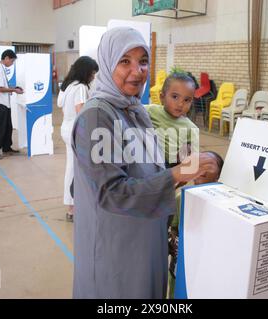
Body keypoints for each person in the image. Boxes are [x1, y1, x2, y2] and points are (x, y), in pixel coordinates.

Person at [71, 27, 218, 299]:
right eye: (124, 61)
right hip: (118, 252)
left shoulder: (134, 110)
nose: (137, 70)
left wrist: (188, 171)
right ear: (106, 62)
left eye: (143, 61)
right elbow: (111, 192)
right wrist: (177, 173)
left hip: (145, 239)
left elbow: (148, 167)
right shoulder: (96, 117)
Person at [167, 151, 224, 299]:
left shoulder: (222, 205)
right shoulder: (180, 198)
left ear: (219, 175)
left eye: (208, 165)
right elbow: (173, 227)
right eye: (197, 164)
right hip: (178, 270)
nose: (200, 169)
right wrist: (173, 241)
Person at [57, 56, 99, 223]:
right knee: (76, 169)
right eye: (93, 73)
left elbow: (61, 108)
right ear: (86, 71)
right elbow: (82, 112)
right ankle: (73, 207)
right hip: (76, 130)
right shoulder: (81, 87)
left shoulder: (67, 86)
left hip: (66, 128)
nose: (93, 77)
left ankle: (72, 206)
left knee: (71, 167)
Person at [146, 72, 198, 168]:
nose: (180, 104)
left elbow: (192, 153)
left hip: (169, 165)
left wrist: (186, 152)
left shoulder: (191, 128)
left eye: (186, 100)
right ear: (162, 97)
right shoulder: (150, 110)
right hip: (147, 157)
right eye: (175, 97)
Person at [0, 49, 23, 160]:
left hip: (4, 103)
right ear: (6, 58)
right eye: (12, 61)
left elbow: (3, 86)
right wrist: (14, 90)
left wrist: (14, 88)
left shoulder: (1, 69)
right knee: (1, 128)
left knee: (8, 127)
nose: (12, 63)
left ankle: (7, 148)